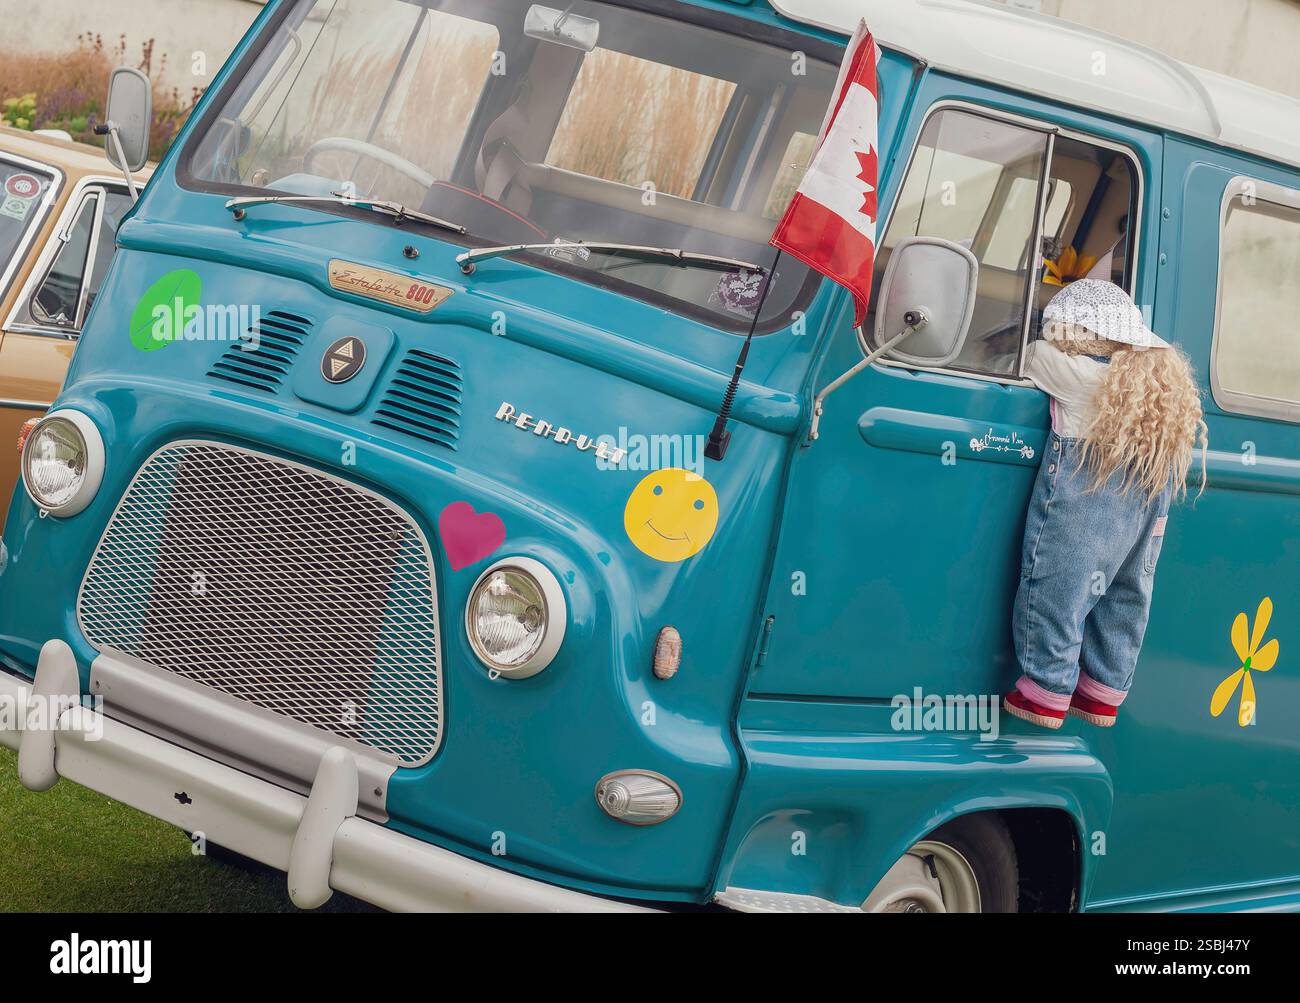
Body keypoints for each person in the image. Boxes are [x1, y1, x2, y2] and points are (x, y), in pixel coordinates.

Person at [1004, 279, 1208, 729]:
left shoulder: (1072, 374)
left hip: (1084, 504)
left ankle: (1047, 689)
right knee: (1127, 592)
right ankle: (1102, 689)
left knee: (1059, 582)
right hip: (1144, 512)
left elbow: (1028, 356)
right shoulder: (1156, 392)